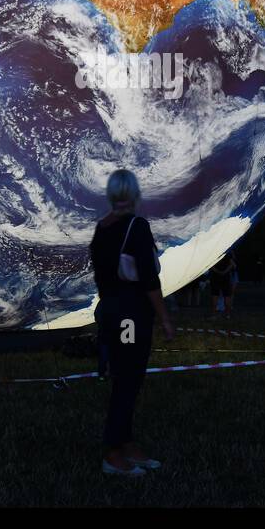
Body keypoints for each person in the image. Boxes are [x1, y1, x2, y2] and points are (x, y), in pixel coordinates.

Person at [89, 169, 174, 477]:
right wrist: (165, 319)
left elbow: (100, 276)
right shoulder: (137, 227)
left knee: (126, 379)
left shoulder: (102, 228)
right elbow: (150, 279)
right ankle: (113, 454)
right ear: (135, 194)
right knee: (128, 381)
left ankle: (126, 445)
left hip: (110, 311)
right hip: (131, 315)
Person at [208, 252, 237, 319]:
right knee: (227, 296)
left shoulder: (214, 253)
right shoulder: (227, 253)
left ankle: (214, 314)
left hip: (216, 277)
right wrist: (225, 271)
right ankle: (227, 315)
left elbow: (210, 265)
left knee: (215, 296)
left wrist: (217, 271)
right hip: (225, 277)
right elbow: (233, 265)